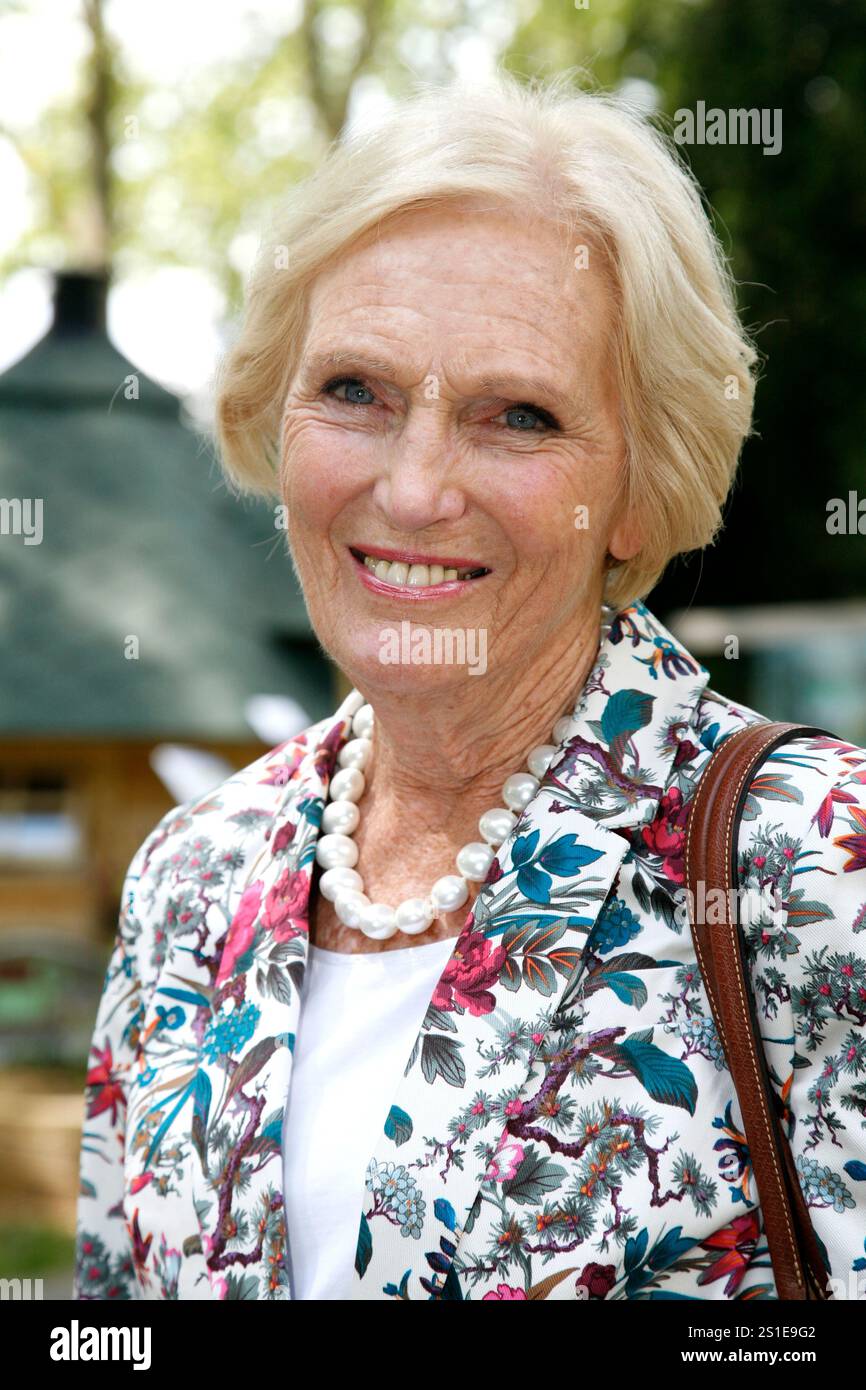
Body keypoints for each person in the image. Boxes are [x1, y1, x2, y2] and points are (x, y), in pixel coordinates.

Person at [73, 70, 866, 1302]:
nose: (412, 489)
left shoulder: (819, 862)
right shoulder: (190, 875)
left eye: (519, 416)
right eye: (354, 391)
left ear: (640, 487)